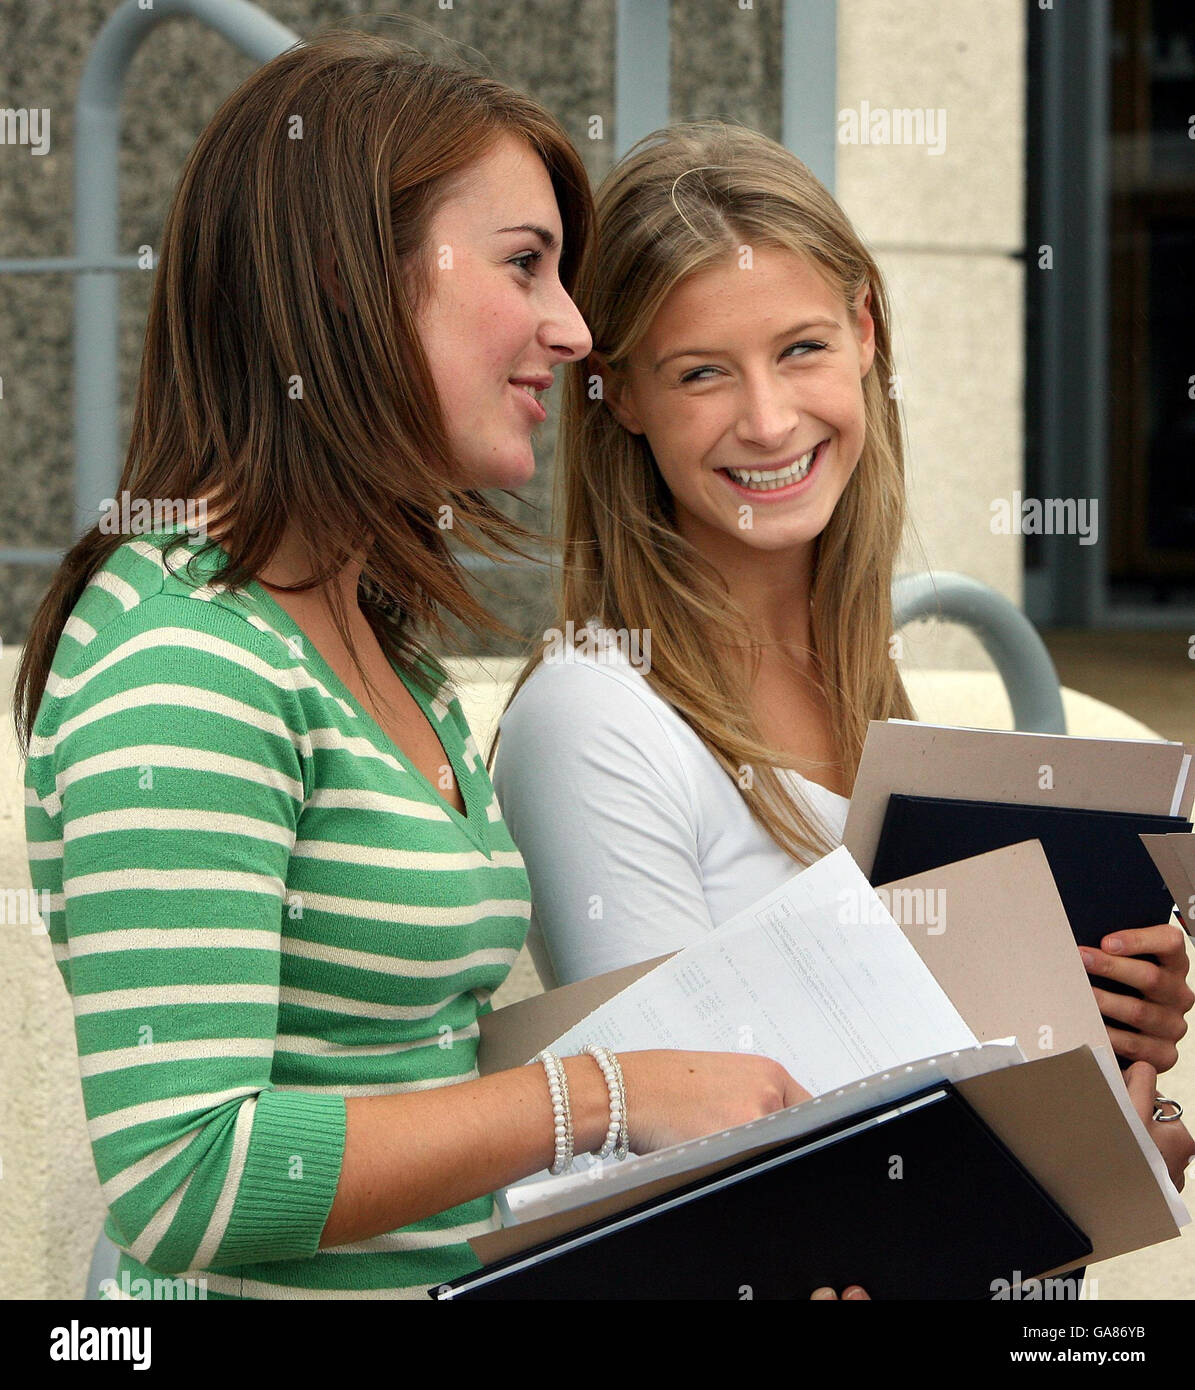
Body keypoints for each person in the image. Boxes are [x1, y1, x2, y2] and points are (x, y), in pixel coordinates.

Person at [15, 38, 819, 1301]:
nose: (572, 327)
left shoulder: (365, 632)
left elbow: (404, 1080)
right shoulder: (183, 653)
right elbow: (183, 1175)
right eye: (524, 266)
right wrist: (605, 1096)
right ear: (346, 282)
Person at [490, 120, 1195, 1195]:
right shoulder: (592, 714)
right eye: (700, 373)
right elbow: (692, 1174)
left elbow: (931, 1096)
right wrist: (1031, 1165)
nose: (768, 421)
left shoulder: (876, 688)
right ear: (619, 395)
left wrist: (1102, 1038)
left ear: (865, 330)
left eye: (800, 348)